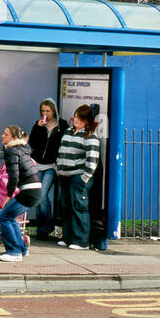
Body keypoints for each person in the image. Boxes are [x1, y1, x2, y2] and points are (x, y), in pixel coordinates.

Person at [54, 104, 102, 250]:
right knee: (66, 207)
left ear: (87, 121)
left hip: (77, 177)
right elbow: (61, 150)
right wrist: (58, 166)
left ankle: (82, 241)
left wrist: (84, 178)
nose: (76, 120)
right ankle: (68, 238)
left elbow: (92, 160)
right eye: (75, 116)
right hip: (64, 175)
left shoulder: (90, 137)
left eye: (80, 118)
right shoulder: (68, 131)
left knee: (79, 207)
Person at [0, 125, 42, 261]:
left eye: (6, 134)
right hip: (34, 190)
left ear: (14, 138)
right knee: (9, 217)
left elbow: (14, 176)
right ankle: (22, 249)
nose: (2, 136)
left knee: (3, 217)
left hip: (29, 191)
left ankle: (14, 252)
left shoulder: (11, 152)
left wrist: (9, 196)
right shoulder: (21, 149)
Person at [28, 98, 68, 241]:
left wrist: (59, 162)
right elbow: (32, 143)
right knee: (38, 196)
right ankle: (42, 228)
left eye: (48, 111)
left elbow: (64, 144)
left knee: (43, 195)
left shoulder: (62, 125)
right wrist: (39, 128)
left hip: (52, 165)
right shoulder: (38, 124)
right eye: (43, 111)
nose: (45, 113)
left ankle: (47, 226)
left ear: (54, 110)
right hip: (38, 164)